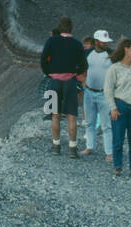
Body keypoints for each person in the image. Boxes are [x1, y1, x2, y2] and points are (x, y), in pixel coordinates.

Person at [40, 17, 88, 158]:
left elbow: (43, 59)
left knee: (55, 114)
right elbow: (84, 64)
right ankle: (73, 148)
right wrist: (76, 73)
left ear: (59, 28)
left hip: (54, 82)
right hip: (71, 82)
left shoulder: (51, 41)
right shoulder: (77, 44)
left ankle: (56, 146)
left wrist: (48, 72)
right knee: (71, 116)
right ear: (71, 28)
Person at [105, 37, 131, 178]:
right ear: (126, 49)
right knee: (118, 138)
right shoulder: (114, 68)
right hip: (120, 105)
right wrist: (113, 108)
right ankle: (117, 166)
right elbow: (108, 90)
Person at [83, 30, 115, 159]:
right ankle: (89, 147)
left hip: (104, 94)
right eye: (103, 41)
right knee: (89, 122)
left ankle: (109, 152)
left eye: (107, 41)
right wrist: (83, 80)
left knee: (107, 125)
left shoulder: (112, 55)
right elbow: (81, 66)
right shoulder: (88, 53)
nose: (106, 43)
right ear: (96, 42)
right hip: (89, 92)